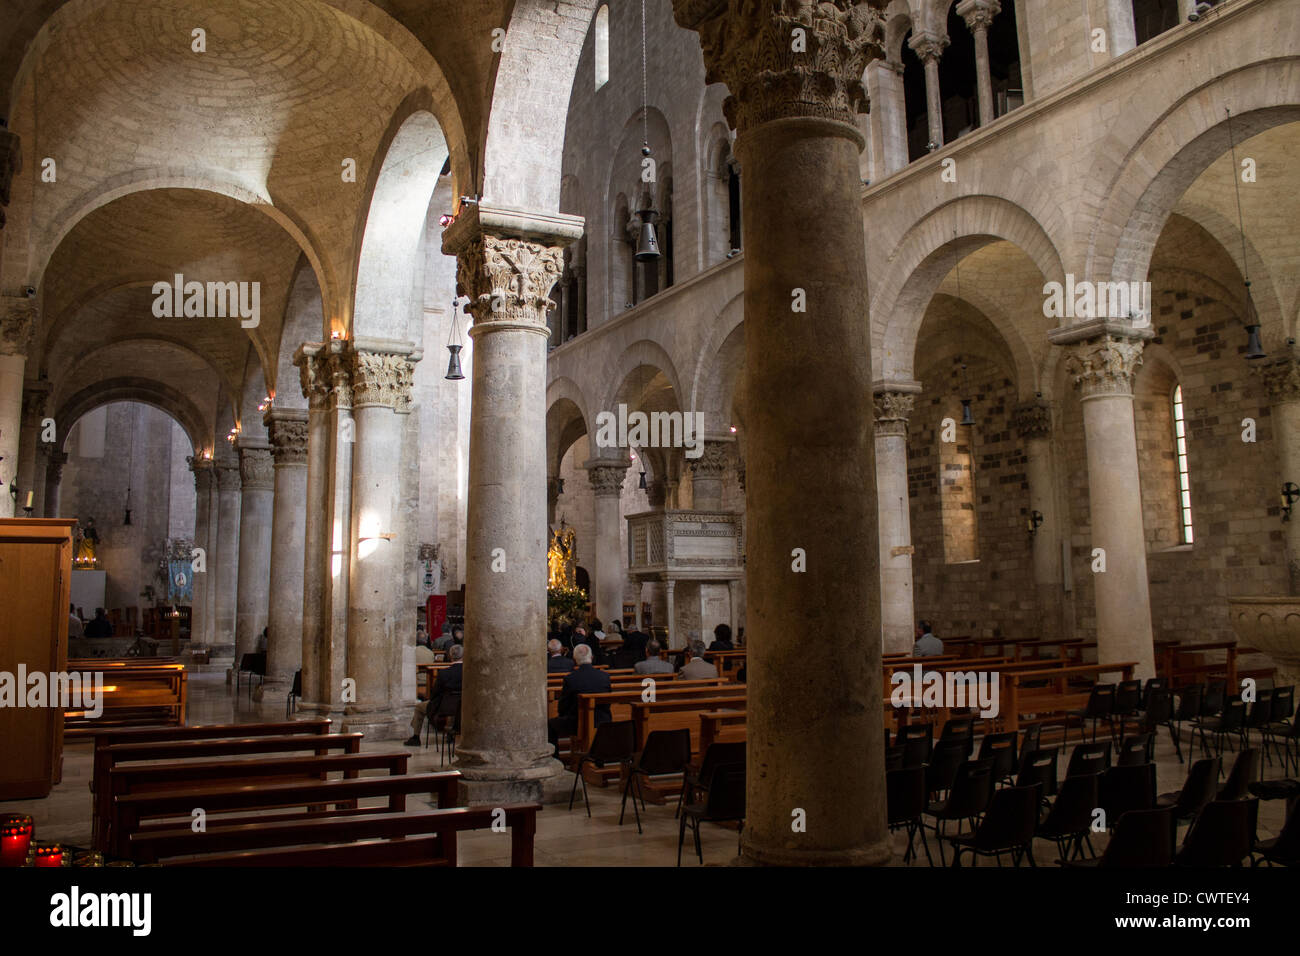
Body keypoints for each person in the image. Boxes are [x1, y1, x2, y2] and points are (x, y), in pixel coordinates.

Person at [547, 643, 611, 755]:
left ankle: (556, 760)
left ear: (574, 659)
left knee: (550, 725)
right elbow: (607, 703)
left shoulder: (570, 679)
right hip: (602, 721)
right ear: (591, 658)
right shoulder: (604, 676)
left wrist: (563, 715)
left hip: (576, 722)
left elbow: (563, 706)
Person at [406, 644, 464, 745]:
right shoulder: (468, 672)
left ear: (450, 656)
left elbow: (434, 693)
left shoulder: (444, 673)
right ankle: (451, 734)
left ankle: (415, 737)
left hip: (443, 707)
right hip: (463, 706)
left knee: (419, 707)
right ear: (463, 656)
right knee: (454, 704)